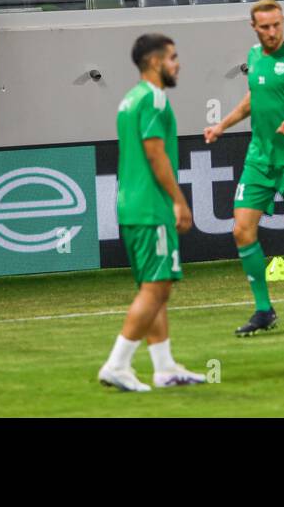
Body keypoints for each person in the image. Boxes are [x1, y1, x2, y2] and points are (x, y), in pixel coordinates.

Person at [203, 0, 284, 336]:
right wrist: (221, 125)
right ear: (254, 27)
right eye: (265, 27)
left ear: (282, 22)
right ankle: (264, 310)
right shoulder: (253, 57)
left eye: (277, 25)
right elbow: (252, 100)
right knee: (241, 230)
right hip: (259, 159)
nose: (273, 32)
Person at [98, 34, 206, 392]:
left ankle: (164, 368)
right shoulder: (156, 99)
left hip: (130, 205)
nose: (178, 64)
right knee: (156, 288)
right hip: (151, 208)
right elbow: (156, 154)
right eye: (173, 58)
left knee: (155, 288)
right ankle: (117, 364)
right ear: (156, 61)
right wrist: (178, 200)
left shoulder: (129, 100)